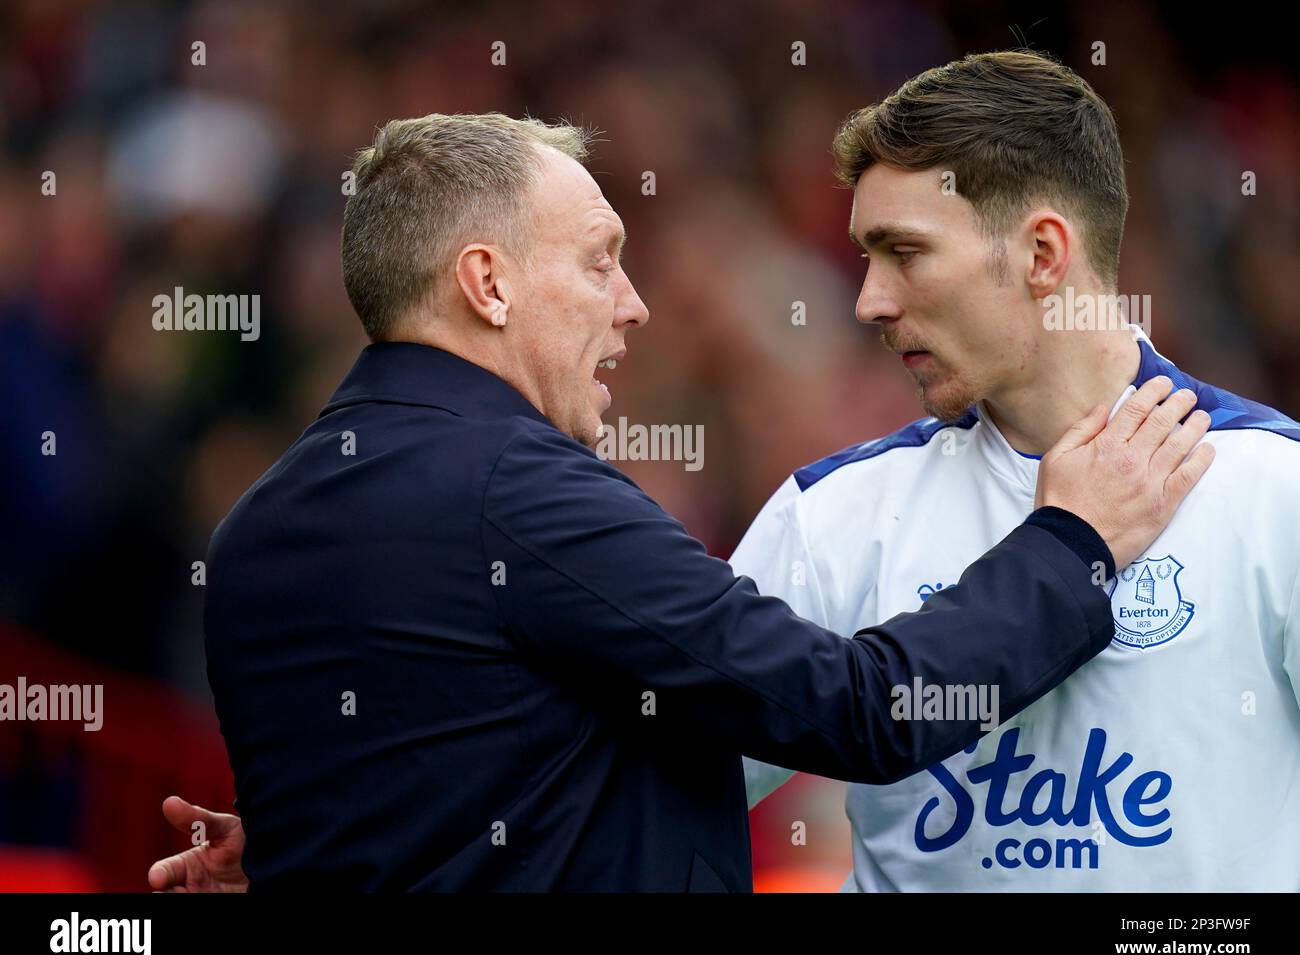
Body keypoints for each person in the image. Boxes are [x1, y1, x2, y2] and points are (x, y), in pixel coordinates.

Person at [151, 111, 1209, 892]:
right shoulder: (516, 492)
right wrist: (1071, 541)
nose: (632, 304)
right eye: (601, 261)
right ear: (487, 284)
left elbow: (446, 774)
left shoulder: (254, 529)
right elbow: (858, 707)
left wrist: (299, 859)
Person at [736, 50, 1300, 890]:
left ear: (1042, 254)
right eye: (866, 256)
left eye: (906, 252)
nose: (870, 302)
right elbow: (659, 794)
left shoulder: (1273, 490)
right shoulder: (829, 517)